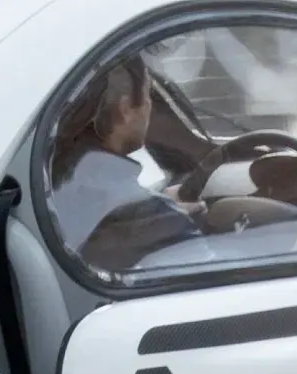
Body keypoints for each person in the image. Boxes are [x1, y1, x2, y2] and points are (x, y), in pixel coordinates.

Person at [48, 56, 201, 273]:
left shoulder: (54, 178)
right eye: (148, 95)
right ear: (126, 110)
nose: (149, 106)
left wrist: (161, 205)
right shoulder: (164, 226)